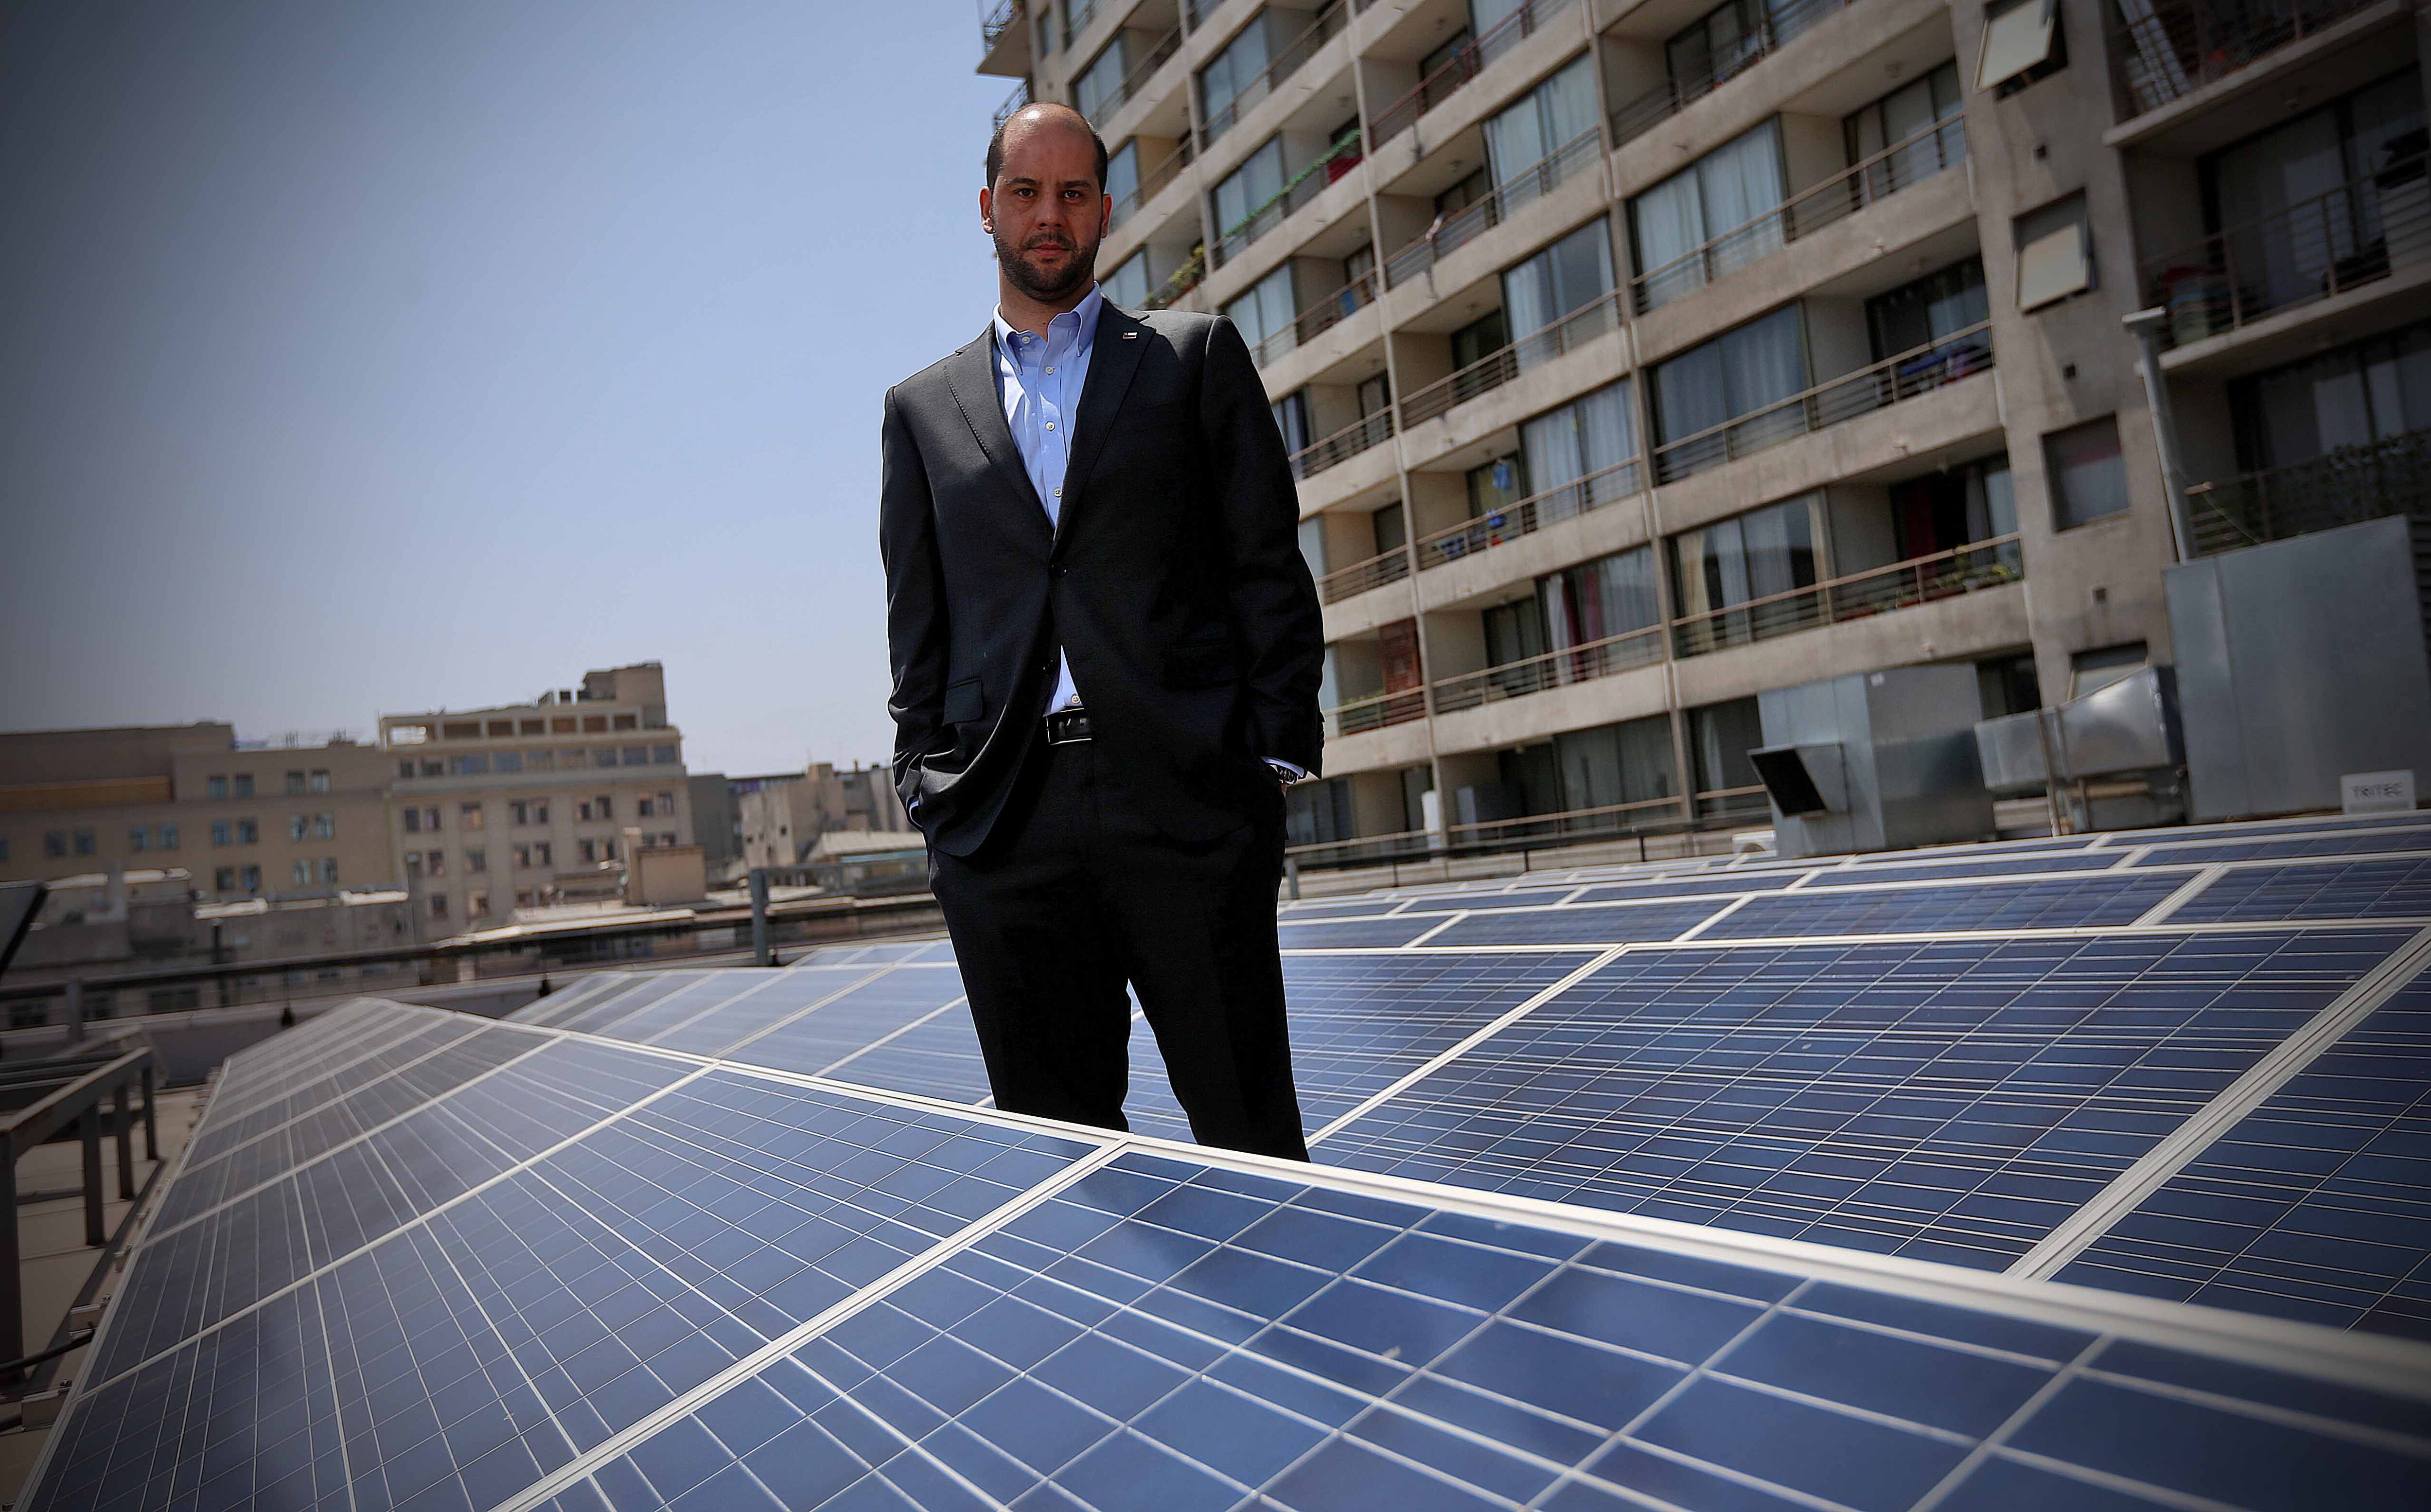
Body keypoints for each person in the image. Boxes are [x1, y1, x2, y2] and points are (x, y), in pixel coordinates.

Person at [876, 104, 1323, 1160]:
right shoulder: (919, 411)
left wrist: (1264, 758)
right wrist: (927, 790)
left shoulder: (1190, 357)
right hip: (1003, 822)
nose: (1049, 215)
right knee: (1069, 1177)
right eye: (1026, 193)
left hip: (1183, 805)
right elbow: (918, 625)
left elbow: (1265, 566)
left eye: (1073, 194)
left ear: (1104, 213)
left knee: (1251, 1139)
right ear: (986, 209)